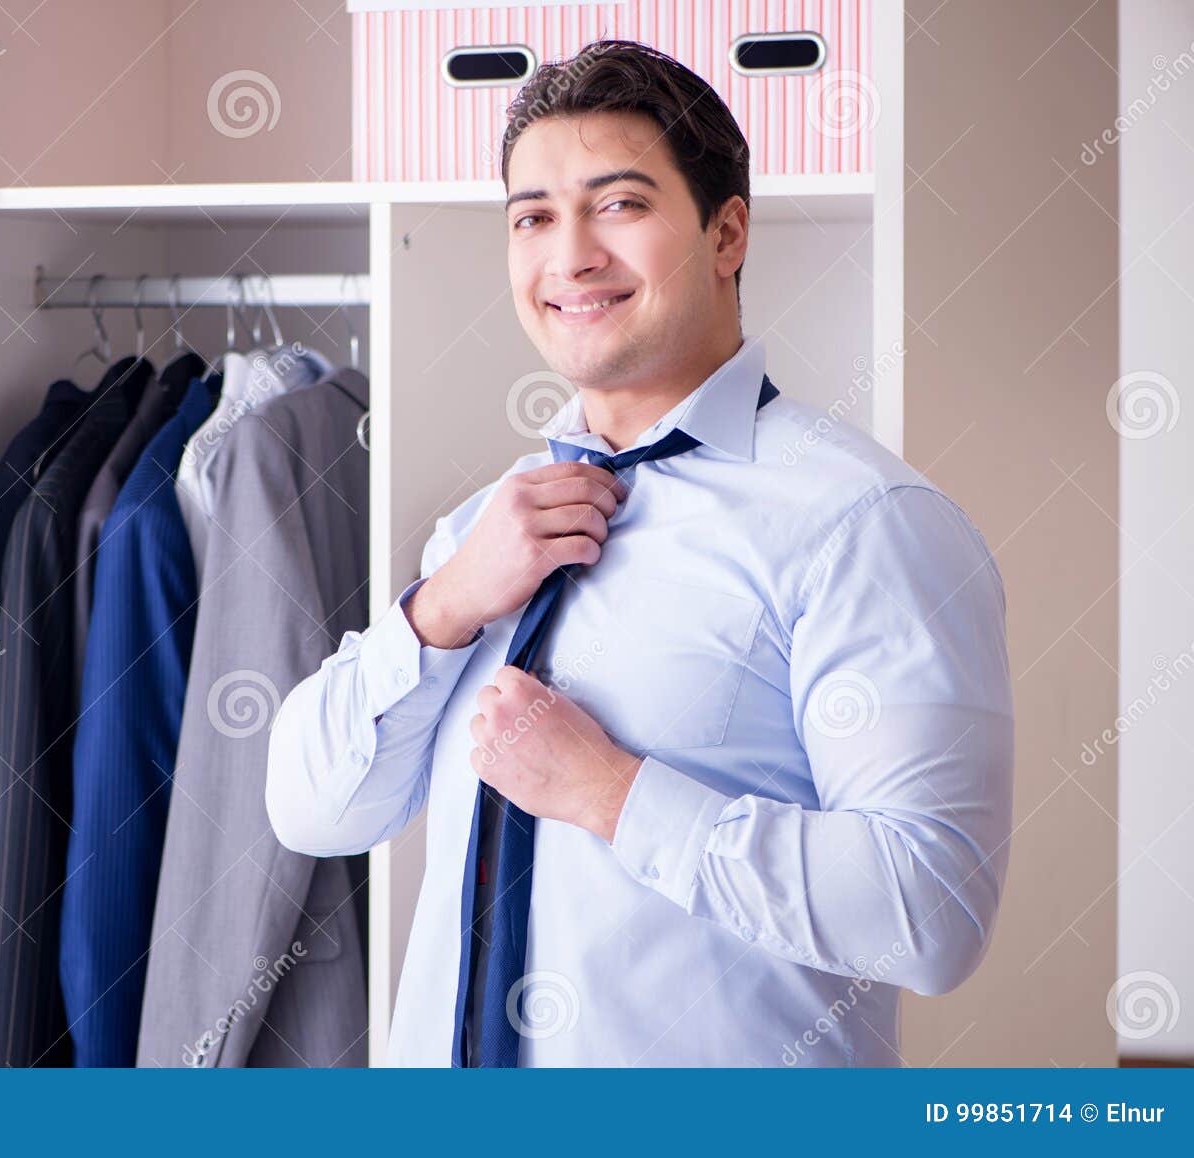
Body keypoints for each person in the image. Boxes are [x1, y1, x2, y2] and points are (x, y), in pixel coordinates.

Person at [266, 40, 1014, 1067]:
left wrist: (612, 794)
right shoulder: (482, 535)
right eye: (532, 217)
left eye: (617, 205)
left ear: (726, 232)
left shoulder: (863, 523)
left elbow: (929, 913)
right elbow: (311, 810)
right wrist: (440, 608)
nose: (567, 255)